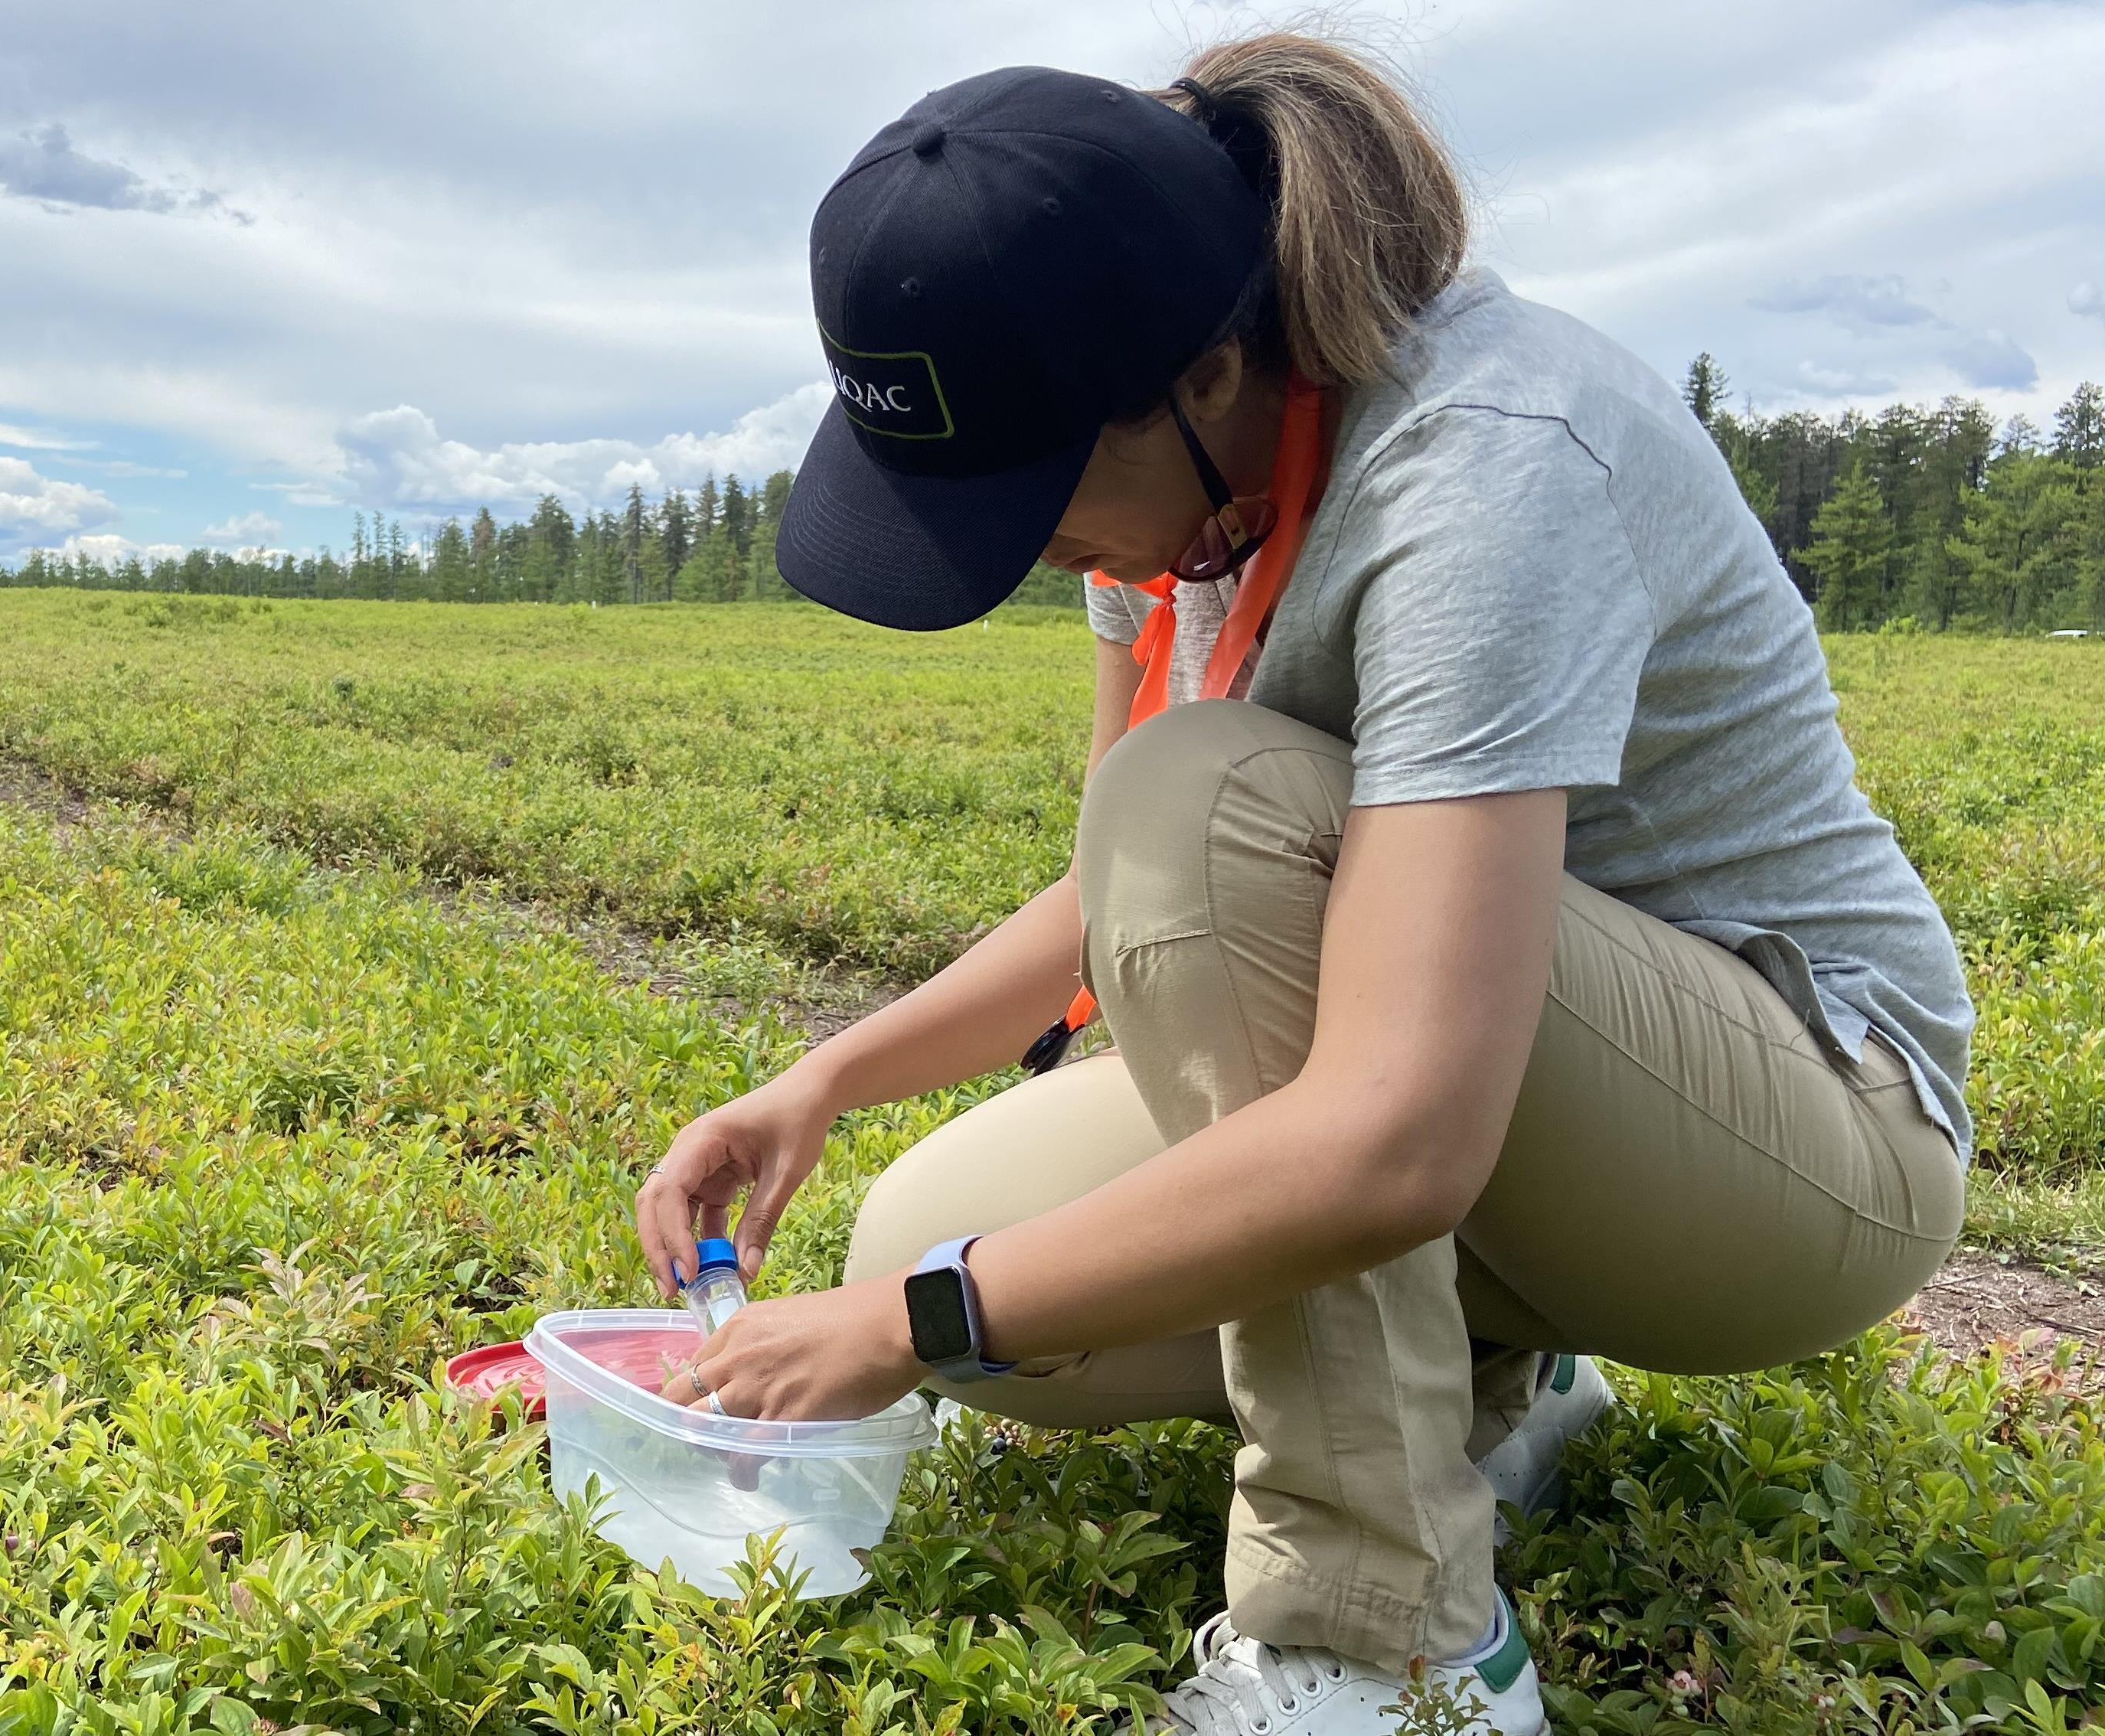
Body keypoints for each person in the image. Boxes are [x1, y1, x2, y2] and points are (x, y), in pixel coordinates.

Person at [629, 34, 1973, 1736]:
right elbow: (1110, 900)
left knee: (1161, 873)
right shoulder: (1175, 504)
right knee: (928, 1243)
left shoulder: (1488, 462)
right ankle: (1506, 1376)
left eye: (1033, 495)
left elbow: (1392, 1129)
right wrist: (822, 1080)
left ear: (1197, 376)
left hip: (1803, 1142)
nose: (1031, 546)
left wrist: (908, 1330)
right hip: (1523, 1110)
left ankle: (1391, 1642)